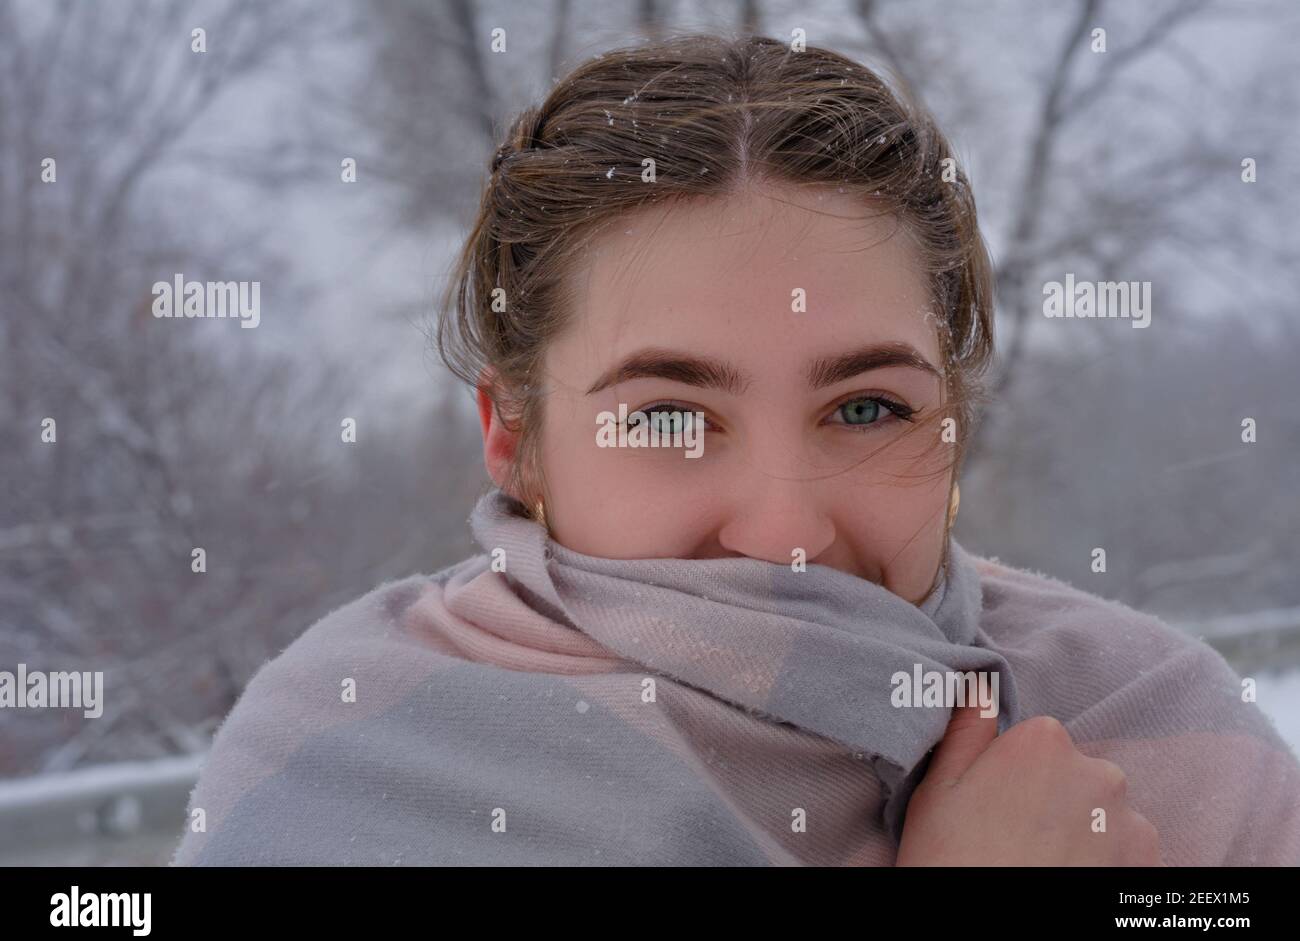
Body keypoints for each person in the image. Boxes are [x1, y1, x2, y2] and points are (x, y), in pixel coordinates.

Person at [173, 33, 1300, 867]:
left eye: (866, 409)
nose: (785, 531)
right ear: (516, 437)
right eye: (668, 417)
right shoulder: (353, 755)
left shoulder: (1150, 726)